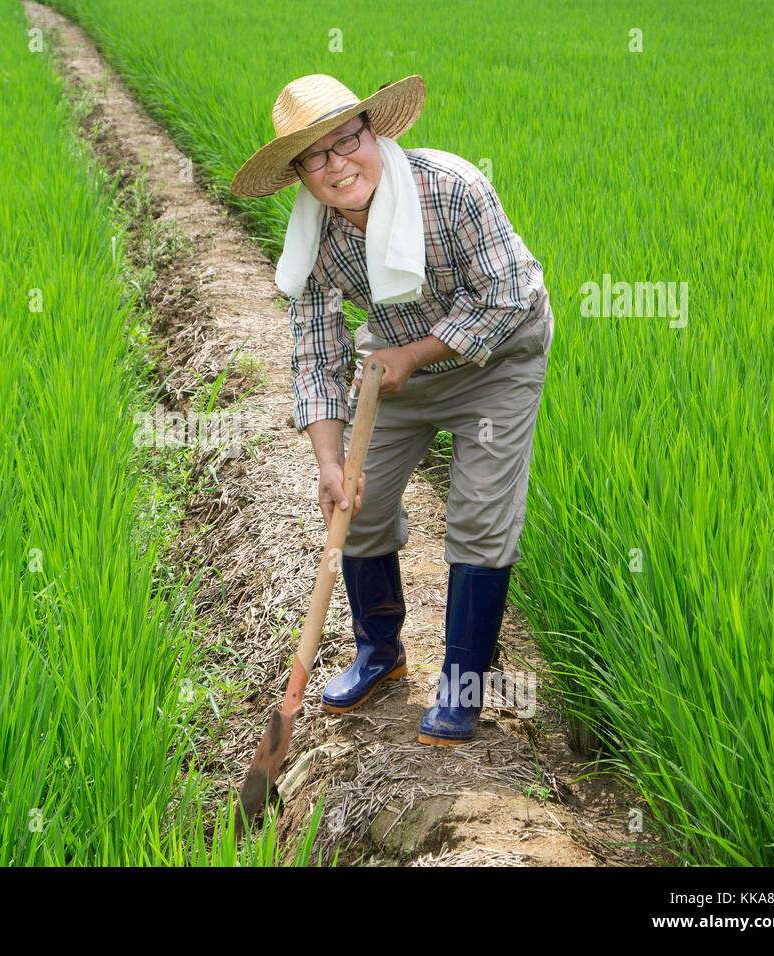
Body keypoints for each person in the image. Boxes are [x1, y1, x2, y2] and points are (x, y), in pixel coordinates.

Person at [230, 74, 553, 744]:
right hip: (397, 364)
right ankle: (380, 652)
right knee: (361, 504)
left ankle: (464, 682)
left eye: (344, 141)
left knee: (480, 512)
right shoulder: (313, 241)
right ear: (299, 175)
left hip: (497, 357)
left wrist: (413, 357)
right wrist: (329, 463)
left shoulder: (453, 188)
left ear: (372, 133)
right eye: (313, 157)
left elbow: (505, 297)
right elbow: (315, 354)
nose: (335, 164)